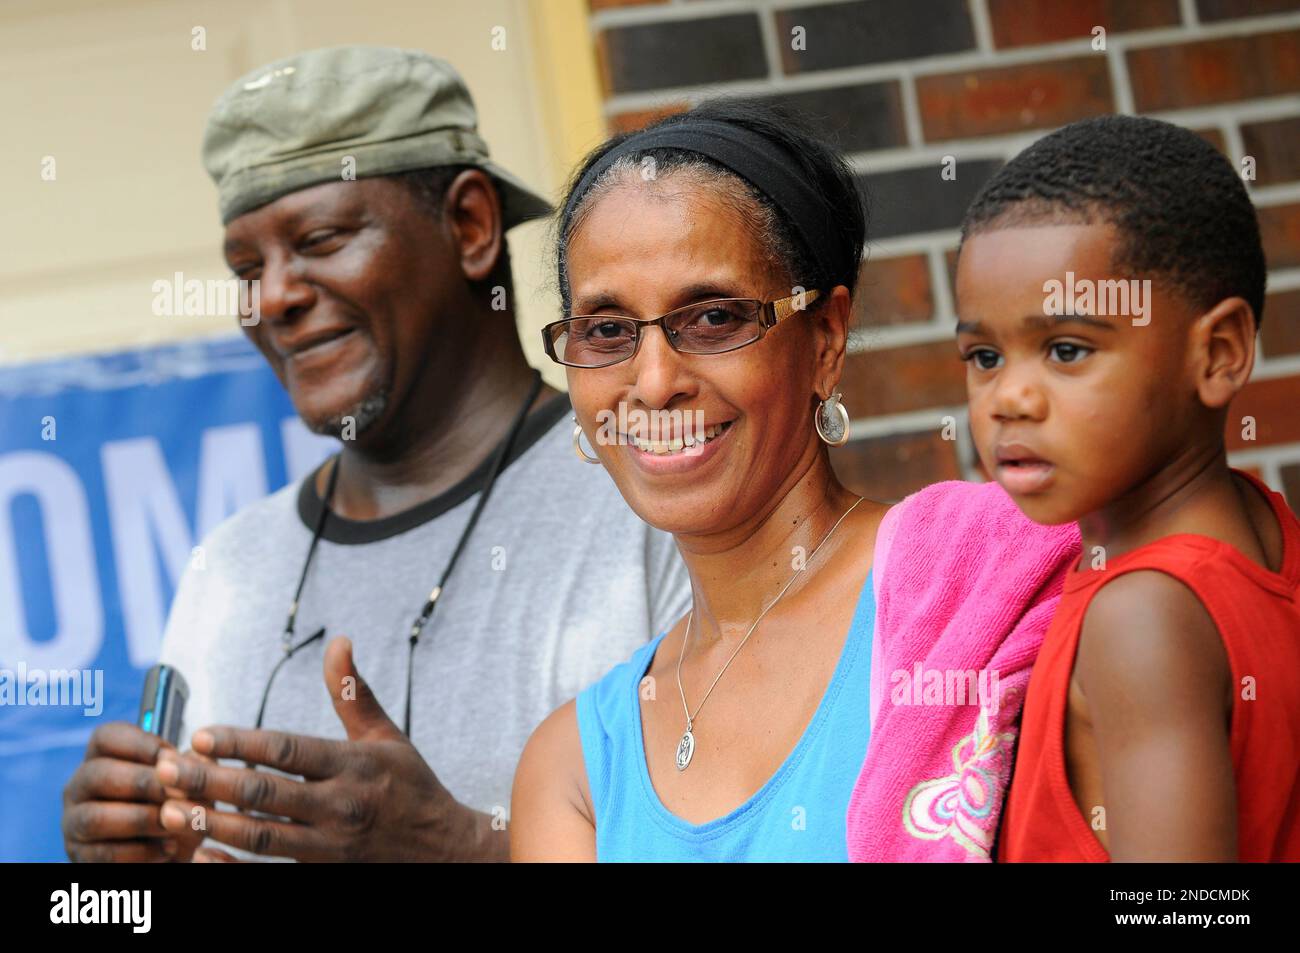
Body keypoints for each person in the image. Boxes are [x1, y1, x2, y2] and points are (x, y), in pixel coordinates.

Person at [60, 45, 690, 864]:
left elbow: (766, 838)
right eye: (246, 268)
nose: (275, 296)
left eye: (320, 239)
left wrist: (464, 849)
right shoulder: (230, 568)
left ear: (469, 226)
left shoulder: (655, 500)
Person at [510, 100, 1079, 862]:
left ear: (826, 340)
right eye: (607, 331)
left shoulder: (985, 588)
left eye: (713, 318)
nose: (652, 382)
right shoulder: (574, 769)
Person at [951, 116, 1300, 861]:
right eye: (983, 355)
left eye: (1066, 349)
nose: (1008, 397)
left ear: (1219, 353)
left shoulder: (1141, 615)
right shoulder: (1267, 535)